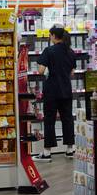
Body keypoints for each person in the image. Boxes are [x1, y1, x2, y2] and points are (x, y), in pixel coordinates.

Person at [35, 25, 76, 159]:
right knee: (67, 119)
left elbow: (40, 71)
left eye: (50, 35)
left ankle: (47, 151)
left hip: (52, 90)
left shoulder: (49, 51)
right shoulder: (70, 52)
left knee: (50, 120)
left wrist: (48, 72)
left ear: (53, 36)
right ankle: (70, 149)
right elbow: (72, 72)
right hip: (66, 90)